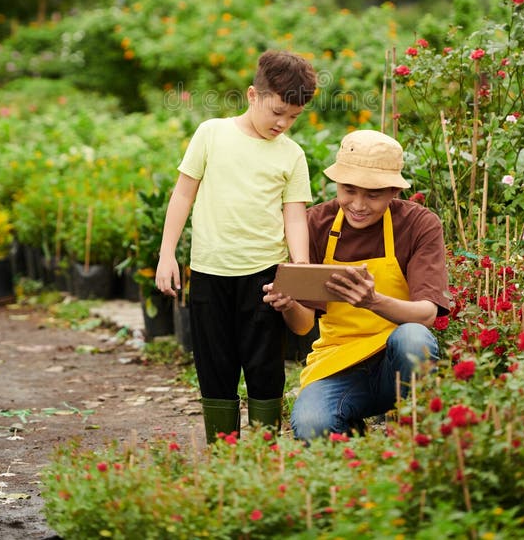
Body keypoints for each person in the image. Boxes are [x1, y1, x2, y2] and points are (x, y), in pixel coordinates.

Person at [155, 49, 317, 443]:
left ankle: (261, 455)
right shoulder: (212, 134)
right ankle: (224, 455)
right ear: (252, 95)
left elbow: (294, 215)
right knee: (215, 366)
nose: (283, 123)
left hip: (265, 277)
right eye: (277, 111)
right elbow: (183, 195)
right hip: (211, 272)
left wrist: (300, 268)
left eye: (293, 117)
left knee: (264, 366)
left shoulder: (292, 156)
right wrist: (166, 255)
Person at [264, 129, 450, 441]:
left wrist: (373, 301)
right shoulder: (316, 224)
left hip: (397, 360)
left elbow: (426, 314)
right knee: (311, 424)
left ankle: (411, 436)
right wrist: (289, 304)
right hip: (340, 361)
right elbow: (302, 325)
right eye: (348, 190)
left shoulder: (419, 224)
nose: (359, 205)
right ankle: (349, 430)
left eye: (373, 195)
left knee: (413, 339)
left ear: (394, 191)